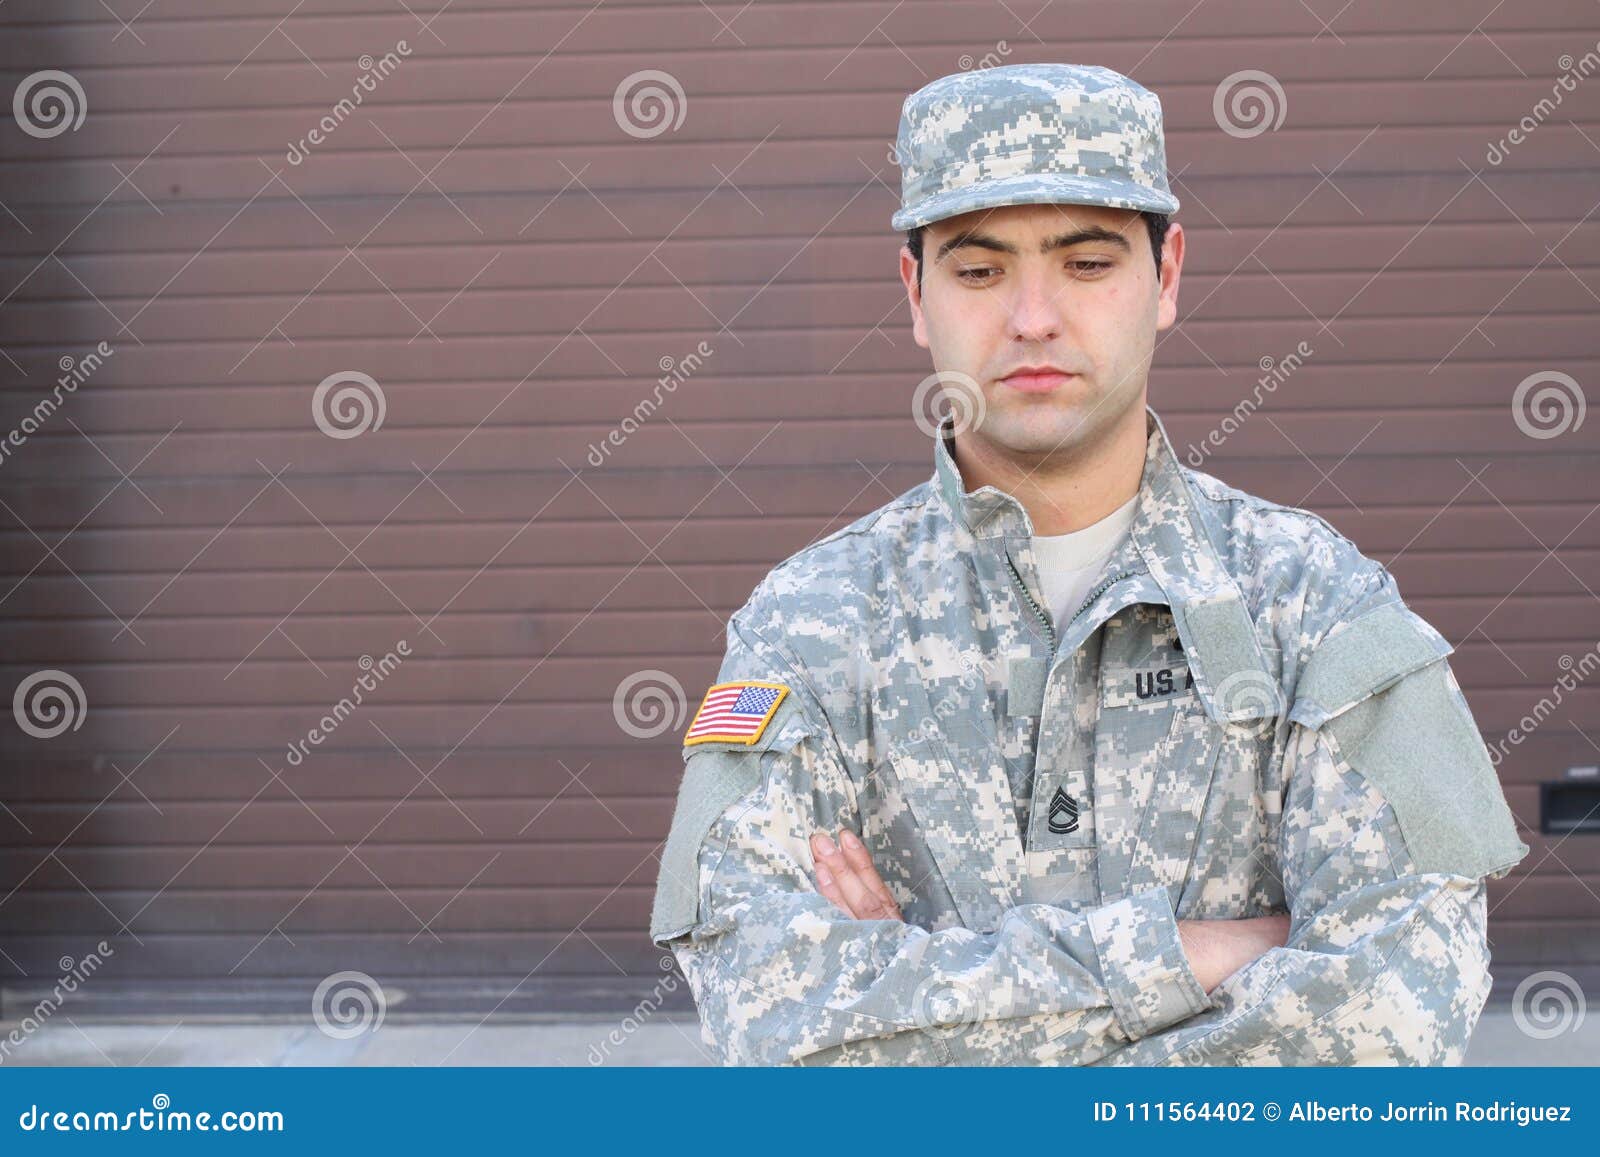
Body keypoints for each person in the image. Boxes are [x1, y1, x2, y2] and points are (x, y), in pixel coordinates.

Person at [648, 62, 1529, 1066]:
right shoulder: (808, 626)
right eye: (978, 271)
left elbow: (1394, 1016)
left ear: (1167, 276)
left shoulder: (1316, 605)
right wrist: (1185, 955)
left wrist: (927, 1005)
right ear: (915, 291)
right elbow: (772, 1024)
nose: (1031, 318)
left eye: (1086, 263)